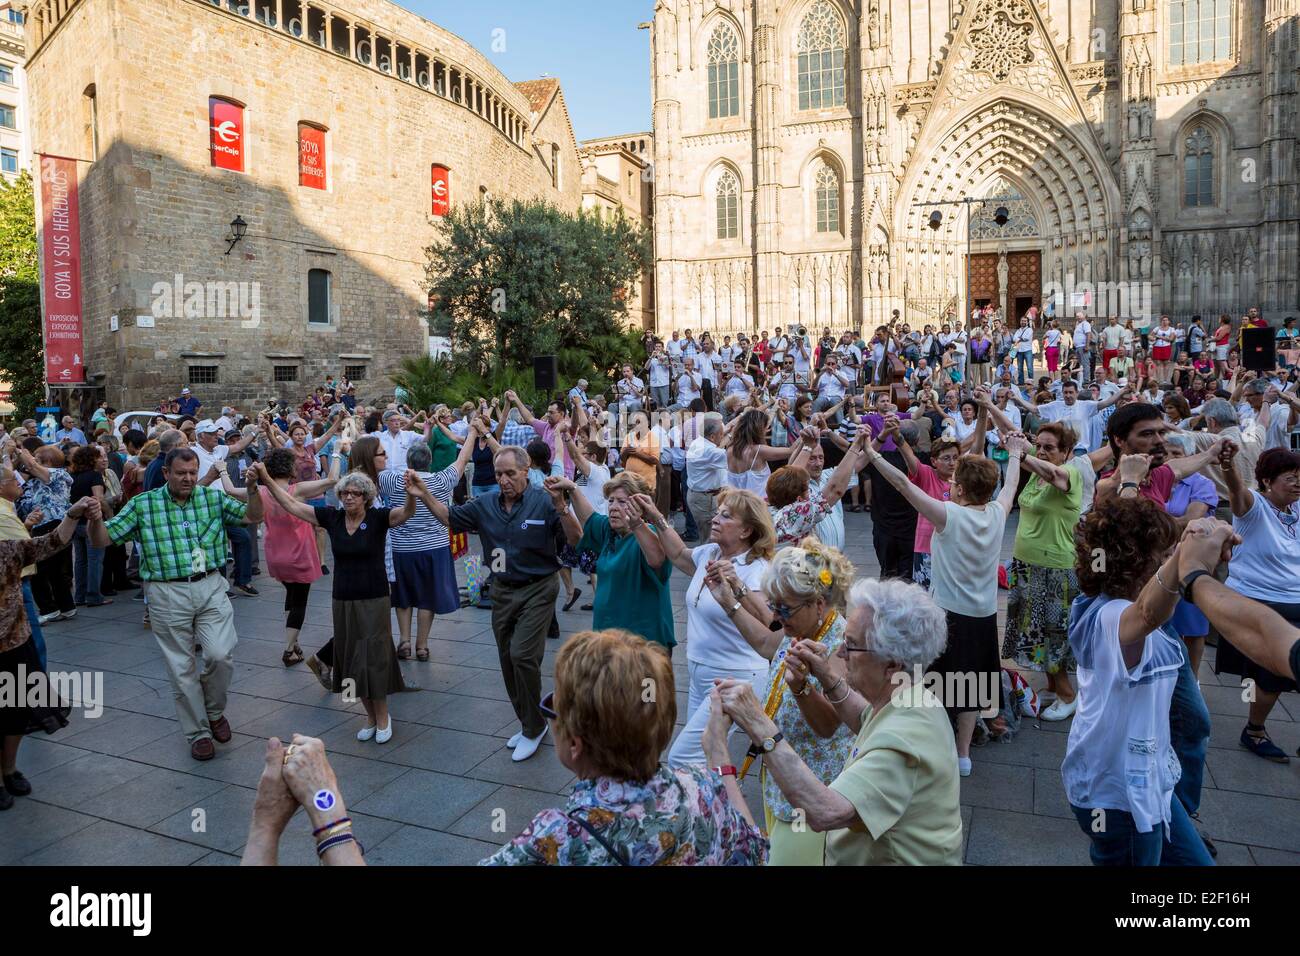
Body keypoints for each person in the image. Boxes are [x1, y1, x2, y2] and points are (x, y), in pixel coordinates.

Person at [710, 575, 961, 864]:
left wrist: (757, 724)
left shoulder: (904, 739)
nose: (839, 652)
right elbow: (865, 718)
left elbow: (824, 811)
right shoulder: (911, 696)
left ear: (891, 664)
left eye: (851, 645)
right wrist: (827, 677)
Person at [481, 629, 766, 865]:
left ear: (574, 743)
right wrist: (719, 751)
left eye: (554, 707)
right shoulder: (704, 786)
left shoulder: (556, 840)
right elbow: (756, 851)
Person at [1064, 497, 1214, 866]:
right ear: (1135, 563)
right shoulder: (1107, 615)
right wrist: (1185, 558)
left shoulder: (1119, 603)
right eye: (1162, 555)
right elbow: (1146, 613)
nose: (1168, 561)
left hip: (1151, 783)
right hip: (1118, 798)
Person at [95, 447, 265, 760]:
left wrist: (253, 489)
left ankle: (213, 711)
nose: (188, 478)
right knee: (181, 667)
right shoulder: (143, 505)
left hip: (211, 585)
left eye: (192, 472)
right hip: (166, 591)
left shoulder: (210, 498)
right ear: (166, 473)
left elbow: (254, 515)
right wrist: (94, 519)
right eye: (181, 473)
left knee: (220, 654)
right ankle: (198, 732)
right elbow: (103, 539)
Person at [865, 435, 1020, 775]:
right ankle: (963, 755)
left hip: (946, 615)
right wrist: (1017, 452)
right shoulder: (998, 513)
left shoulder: (948, 515)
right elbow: (1011, 484)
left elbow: (904, 484)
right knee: (972, 684)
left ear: (960, 490)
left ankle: (930, 744)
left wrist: (870, 454)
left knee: (930, 683)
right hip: (983, 616)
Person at [697, 539, 857, 864]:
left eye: (785, 609)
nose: (777, 616)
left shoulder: (839, 644)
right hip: (781, 782)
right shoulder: (798, 630)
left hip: (812, 791)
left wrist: (800, 689)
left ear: (819, 603)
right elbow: (765, 644)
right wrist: (728, 601)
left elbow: (828, 725)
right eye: (775, 605)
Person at [423, 446, 583, 762]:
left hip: (538, 588)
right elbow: (449, 517)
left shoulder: (543, 500)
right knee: (507, 659)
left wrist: (561, 505)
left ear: (526, 471)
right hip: (501, 589)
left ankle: (536, 725)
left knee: (522, 654)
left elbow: (576, 539)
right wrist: (422, 493)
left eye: (510, 473)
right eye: (499, 474)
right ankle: (528, 722)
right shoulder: (485, 504)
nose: (504, 479)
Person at [257, 467, 428, 744]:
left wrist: (412, 496)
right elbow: (290, 503)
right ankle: (369, 717)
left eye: (355, 493)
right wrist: (266, 478)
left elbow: (405, 514)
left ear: (366, 497)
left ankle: (383, 716)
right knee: (350, 658)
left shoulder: (378, 518)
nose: (348, 498)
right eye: (344, 493)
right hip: (343, 599)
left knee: (372, 658)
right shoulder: (332, 518)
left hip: (374, 599)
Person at [655, 488, 776, 767]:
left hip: (735, 676)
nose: (715, 519)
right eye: (717, 513)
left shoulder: (756, 569)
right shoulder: (710, 552)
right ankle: (716, 806)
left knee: (683, 756)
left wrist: (737, 588)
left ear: (746, 531)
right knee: (707, 753)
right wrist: (653, 518)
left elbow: (771, 625)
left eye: (726, 516)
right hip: (701, 672)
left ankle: (713, 804)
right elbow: (677, 553)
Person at [0, 496, 104, 810]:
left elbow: (50, 543)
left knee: (17, 711)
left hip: (15, 642)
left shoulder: (7, 550)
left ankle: (10, 769)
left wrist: (72, 515)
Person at [1215, 446, 1300, 763]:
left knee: (1281, 673)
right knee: (1270, 678)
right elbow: (1237, 492)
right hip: (1259, 605)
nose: (1297, 484)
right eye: (1291, 478)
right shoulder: (1253, 507)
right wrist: (1227, 465)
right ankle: (1254, 731)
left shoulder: (1297, 508)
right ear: (1266, 481)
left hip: (1296, 601)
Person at [997, 421, 1083, 719]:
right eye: (1040, 446)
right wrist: (993, 410)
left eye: (1050, 448)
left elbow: (1052, 472)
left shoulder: (1069, 472)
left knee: (1052, 635)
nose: (1043, 451)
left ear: (1067, 452)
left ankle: (1068, 694)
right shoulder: (1037, 471)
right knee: (1034, 633)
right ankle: (1051, 685)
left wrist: (1020, 452)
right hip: (1026, 565)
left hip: (1054, 570)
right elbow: (1017, 442)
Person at [549, 471, 675, 652]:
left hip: (643, 645)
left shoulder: (652, 535)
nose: (614, 507)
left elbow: (657, 560)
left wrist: (636, 523)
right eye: (611, 501)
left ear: (640, 506)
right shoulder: (610, 531)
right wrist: (571, 489)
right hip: (607, 640)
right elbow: (588, 519)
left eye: (622, 502)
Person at [380, 436, 477, 662]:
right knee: (427, 597)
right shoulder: (442, 480)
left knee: (402, 595)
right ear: (430, 460)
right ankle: (422, 646)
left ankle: (404, 641)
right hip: (434, 548)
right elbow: (462, 459)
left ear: (407, 460)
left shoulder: (393, 480)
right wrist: (473, 433)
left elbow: (371, 466)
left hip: (401, 548)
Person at [67, 445, 110, 608]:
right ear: (91, 459)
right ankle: (93, 596)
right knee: (95, 559)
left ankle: (79, 595)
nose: (101, 459)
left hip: (75, 522)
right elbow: (97, 499)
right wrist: (107, 511)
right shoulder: (94, 476)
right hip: (90, 523)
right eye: (98, 457)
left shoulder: (72, 476)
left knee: (80, 560)